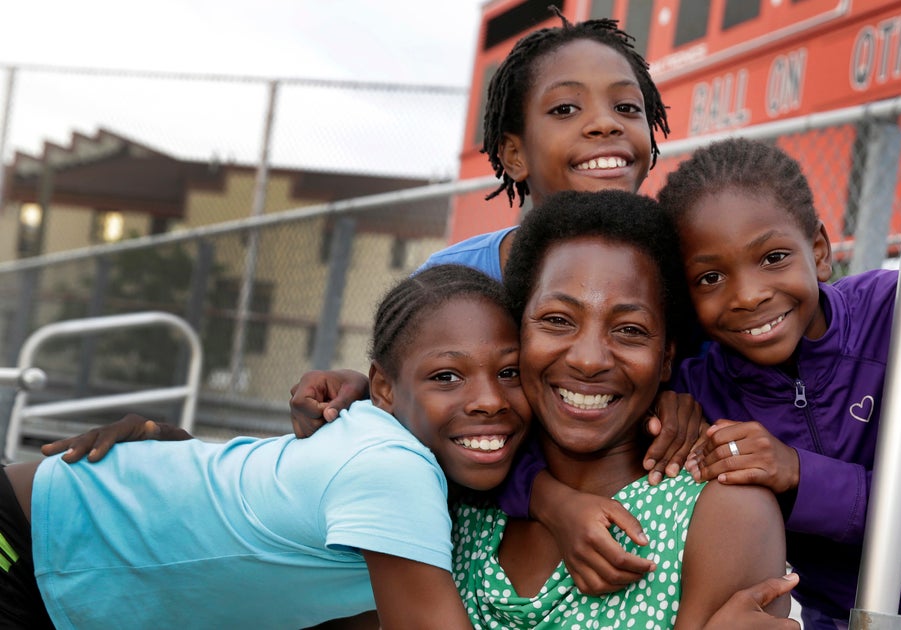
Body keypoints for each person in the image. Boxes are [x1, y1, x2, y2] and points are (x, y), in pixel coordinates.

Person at [286, 10, 703, 596]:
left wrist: (695, 401)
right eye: (566, 109)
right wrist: (365, 395)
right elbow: (431, 426)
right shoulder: (455, 279)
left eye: (627, 108)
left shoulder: (677, 275)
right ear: (512, 154)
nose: (605, 125)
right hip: (478, 560)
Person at [0, 264, 531, 629]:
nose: (489, 400)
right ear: (385, 388)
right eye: (446, 376)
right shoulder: (395, 470)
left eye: (510, 371)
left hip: (62, 554)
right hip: (35, 533)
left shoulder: (382, 437)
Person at [654, 138, 901, 629]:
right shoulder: (698, 390)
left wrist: (796, 472)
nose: (748, 296)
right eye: (710, 278)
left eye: (772, 258)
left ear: (817, 250)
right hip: (842, 614)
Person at [451, 188, 792, 628]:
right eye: (557, 320)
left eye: (630, 330)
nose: (589, 360)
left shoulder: (724, 510)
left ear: (667, 357)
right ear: (516, 333)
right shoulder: (463, 487)